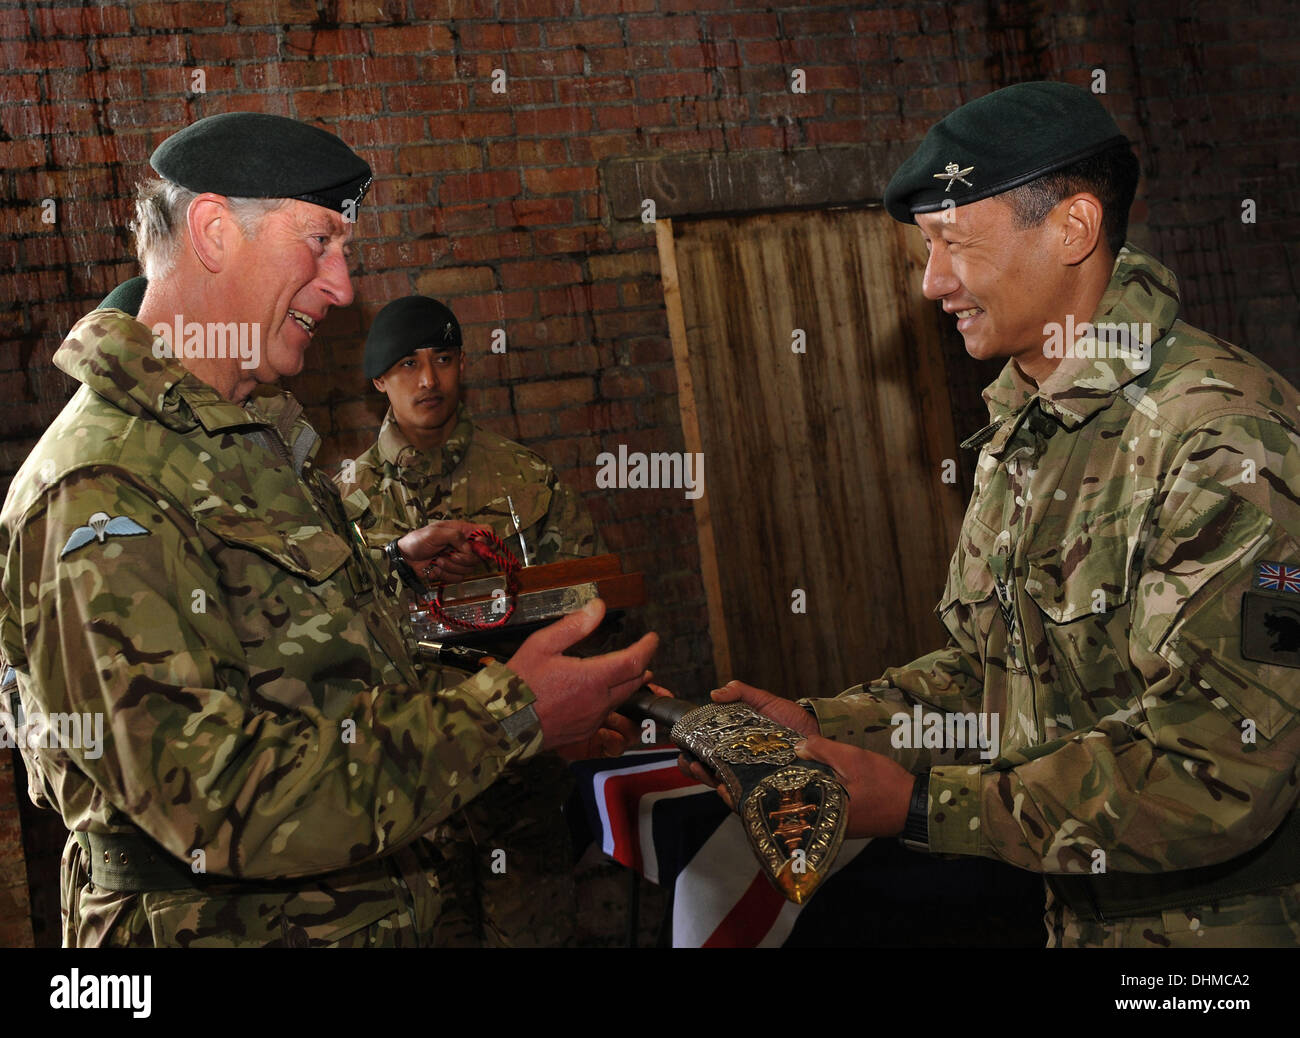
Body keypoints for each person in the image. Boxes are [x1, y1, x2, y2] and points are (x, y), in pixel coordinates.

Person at [0, 111, 657, 948]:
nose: (343, 287)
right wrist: (511, 714)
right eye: (320, 242)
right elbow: (213, 795)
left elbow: (308, 664)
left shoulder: (250, 440)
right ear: (211, 230)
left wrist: (404, 582)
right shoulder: (100, 485)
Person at [686, 81, 1300, 947]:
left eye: (950, 243)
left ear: (1072, 230)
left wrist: (919, 807)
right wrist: (830, 727)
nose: (931, 281)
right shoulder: (1030, 423)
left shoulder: (1227, 445)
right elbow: (997, 677)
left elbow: (1217, 769)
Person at [335, 294, 607, 946]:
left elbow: (591, 605)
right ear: (378, 380)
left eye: (444, 359)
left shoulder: (525, 480)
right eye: (406, 365)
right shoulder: (341, 505)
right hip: (407, 789)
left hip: (519, 777)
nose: (428, 380)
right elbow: (326, 639)